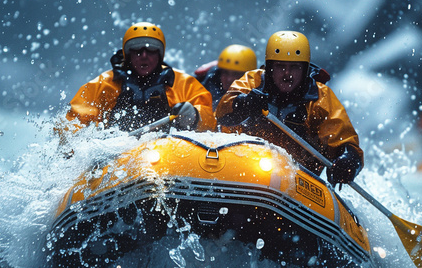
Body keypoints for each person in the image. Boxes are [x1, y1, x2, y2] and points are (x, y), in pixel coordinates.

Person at [216, 30, 363, 185]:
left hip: (299, 180)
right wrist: (245, 103)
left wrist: (349, 160)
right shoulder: (253, 81)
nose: (287, 73)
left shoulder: (320, 97)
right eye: (280, 66)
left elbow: (343, 139)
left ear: (305, 69)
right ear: (270, 67)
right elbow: (222, 112)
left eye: (294, 67)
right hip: (246, 165)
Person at [65, 22, 216, 133]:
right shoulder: (103, 84)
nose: (144, 56)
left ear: (159, 54)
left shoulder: (183, 83)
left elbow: (211, 120)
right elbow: (73, 123)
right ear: (128, 54)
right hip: (116, 157)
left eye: (151, 50)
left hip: (167, 155)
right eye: (137, 50)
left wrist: (195, 116)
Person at [194, 44, 258, 110]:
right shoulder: (208, 82)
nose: (229, 79)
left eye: (236, 74)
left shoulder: (257, 97)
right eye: (225, 72)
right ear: (220, 72)